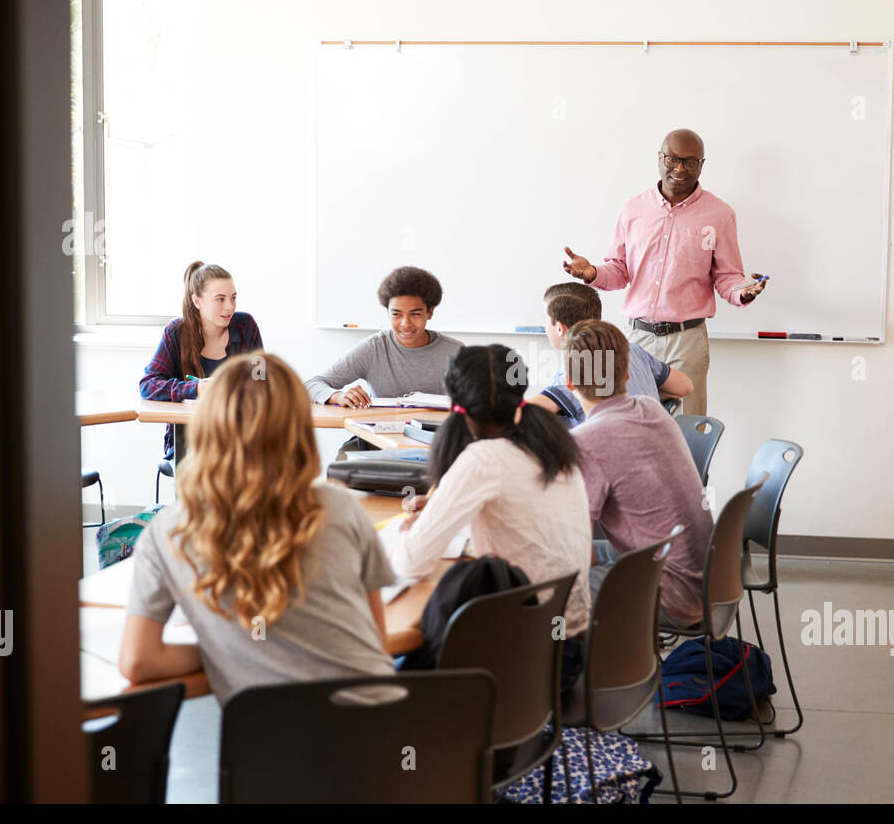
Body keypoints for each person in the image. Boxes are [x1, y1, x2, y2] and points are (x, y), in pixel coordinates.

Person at [120, 353, 396, 706]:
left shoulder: (168, 531)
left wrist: (224, 648)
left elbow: (137, 661)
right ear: (297, 430)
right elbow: (376, 640)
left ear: (207, 427)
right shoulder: (343, 508)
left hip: (267, 755)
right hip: (383, 735)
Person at [390, 344, 591, 689]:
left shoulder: (484, 457)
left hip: (521, 665)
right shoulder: (553, 446)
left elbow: (410, 564)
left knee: (381, 662)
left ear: (455, 404)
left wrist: (411, 531)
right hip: (569, 651)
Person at [561, 128, 767, 416]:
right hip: (637, 340)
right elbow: (619, 270)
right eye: (672, 159)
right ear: (659, 158)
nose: (680, 169)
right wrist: (592, 272)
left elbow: (727, 276)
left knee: (686, 430)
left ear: (701, 165)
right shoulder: (632, 209)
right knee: (633, 423)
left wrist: (741, 291)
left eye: (690, 162)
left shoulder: (720, 215)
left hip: (687, 341)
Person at [562, 320, 714, 628]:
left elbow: (575, 547)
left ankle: (591, 672)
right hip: (710, 581)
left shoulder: (586, 441)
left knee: (547, 591)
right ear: (628, 373)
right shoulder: (652, 407)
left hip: (670, 597)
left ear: (569, 383)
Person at [140, 261, 263, 461]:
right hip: (191, 439)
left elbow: (261, 381)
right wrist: (196, 389)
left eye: (233, 298)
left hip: (240, 435)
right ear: (197, 301)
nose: (229, 307)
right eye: (220, 299)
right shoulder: (176, 332)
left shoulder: (246, 326)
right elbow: (147, 385)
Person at [526, 281, 693, 428]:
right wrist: (643, 395)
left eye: (545, 319)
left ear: (560, 328)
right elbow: (685, 386)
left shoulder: (576, 369)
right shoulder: (632, 350)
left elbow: (523, 414)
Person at [304, 265, 463, 408]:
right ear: (387, 312)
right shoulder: (373, 348)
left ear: (430, 312)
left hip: (435, 438)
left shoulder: (456, 352)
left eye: (415, 314)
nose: (405, 323)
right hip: (377, 436)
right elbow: (312, 385)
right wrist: (337, 396)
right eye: (396, 314)